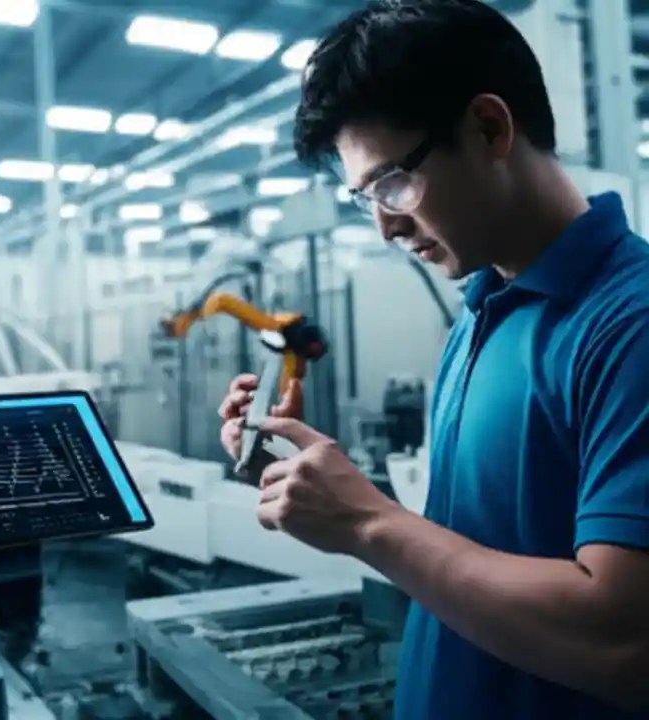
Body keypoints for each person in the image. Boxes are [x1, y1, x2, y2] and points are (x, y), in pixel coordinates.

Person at [217, 1, 649, 718]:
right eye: (365, 197)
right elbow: (472, 543)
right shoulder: (484, 305)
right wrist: (299, 479)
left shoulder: (629, 324)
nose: (384, 225)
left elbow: (626, 642)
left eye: (392, 183)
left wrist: (367, 523)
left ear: (488, 127)